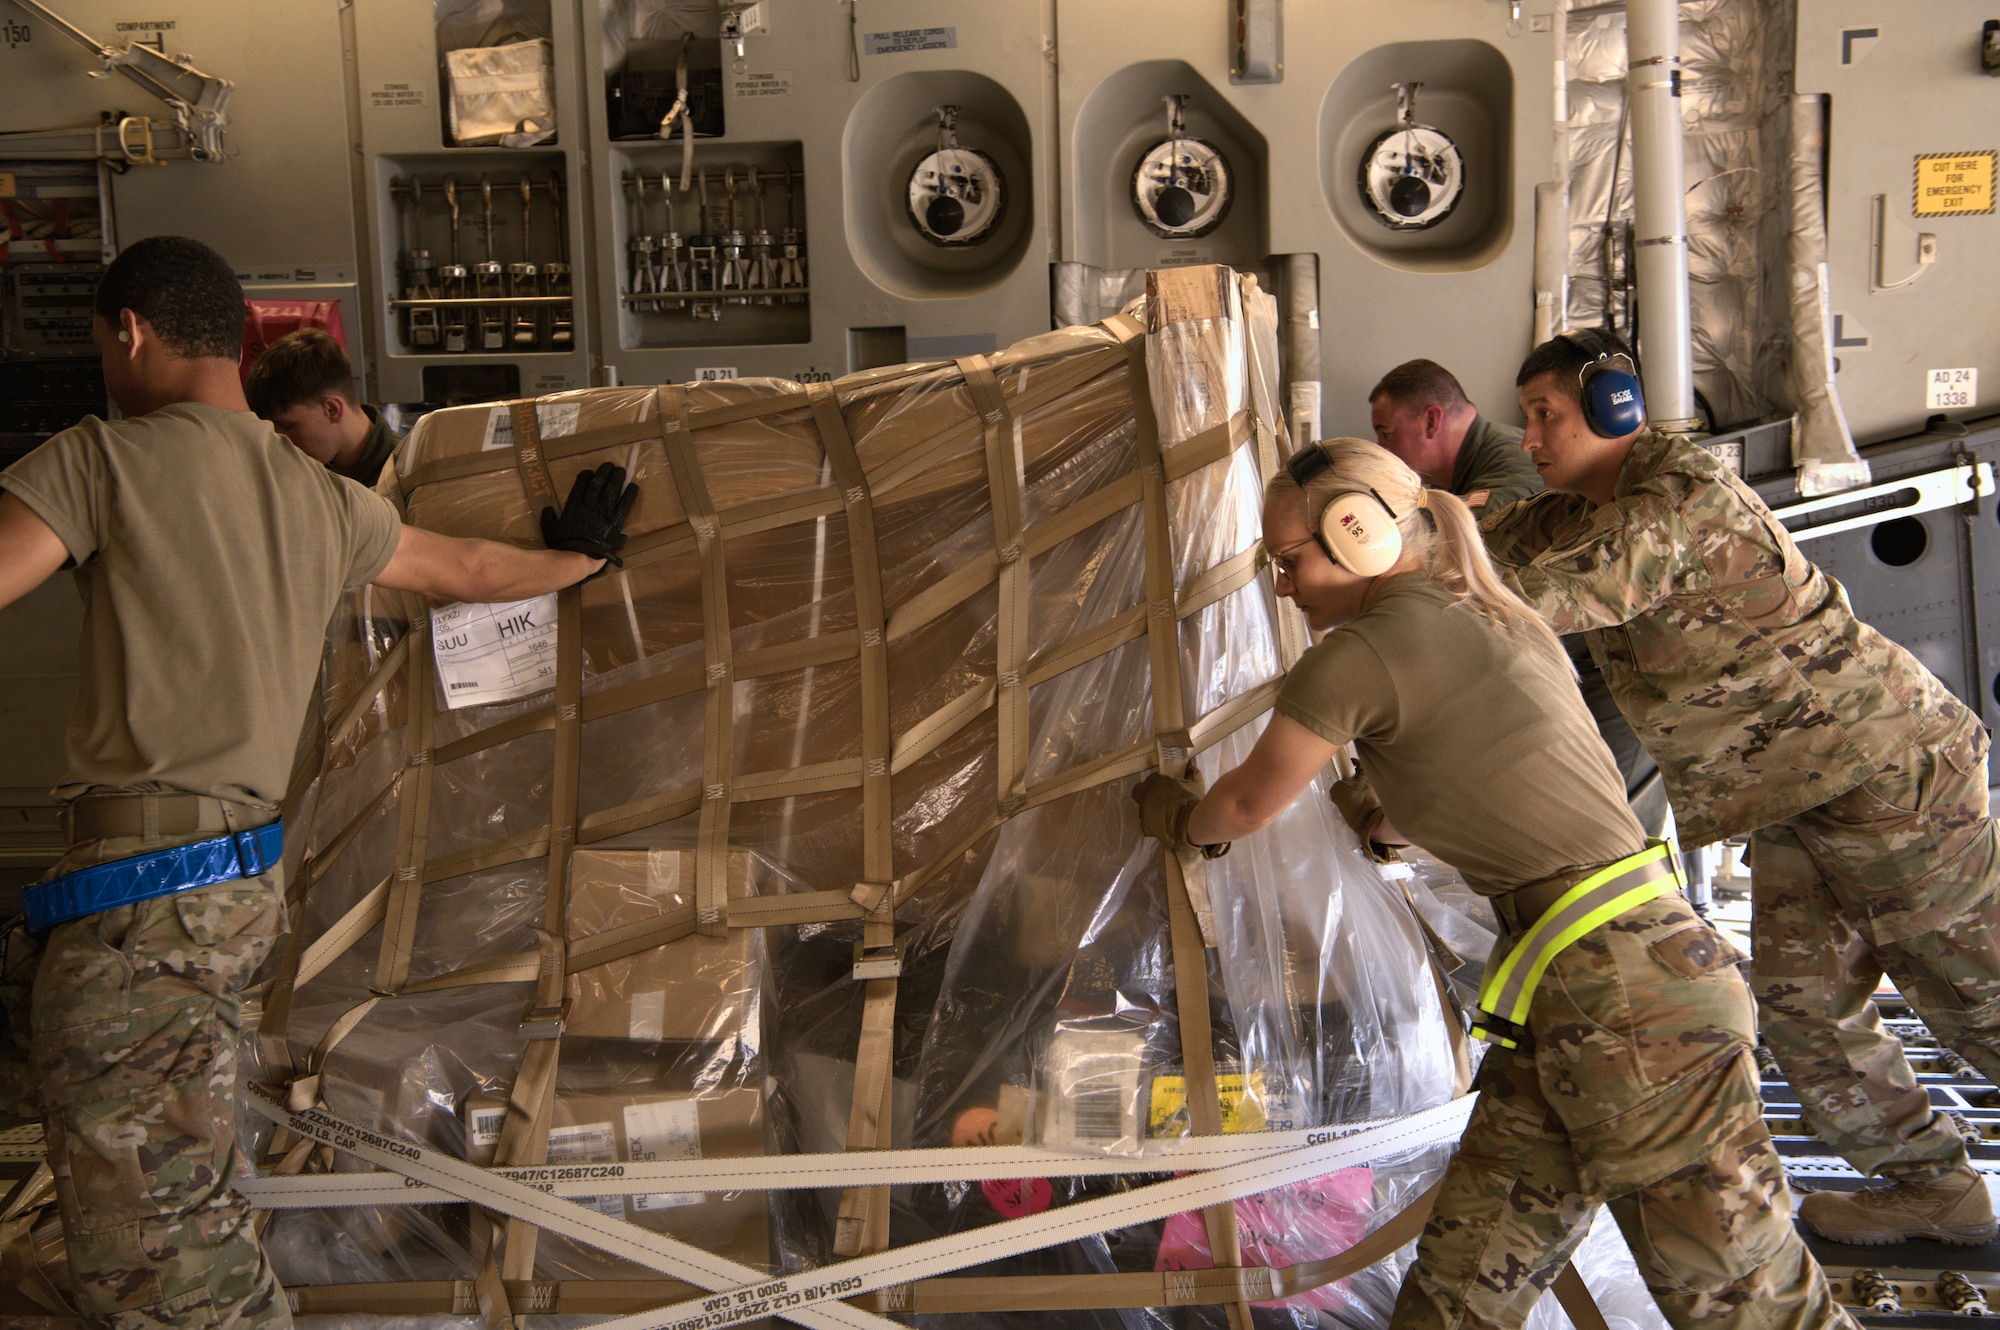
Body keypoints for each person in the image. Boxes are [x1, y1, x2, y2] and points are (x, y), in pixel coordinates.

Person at [0, 236, 636, 1330]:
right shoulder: (318, 498)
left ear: (132, 332)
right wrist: (578, 558)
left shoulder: (99, 460)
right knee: (132, 1188)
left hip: (137, 913)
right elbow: (469, 573)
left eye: (102, 340)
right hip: (225, 899)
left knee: (167, 1265)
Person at [1132, 438, 1852, 1330]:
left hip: (1623, 1005)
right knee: (1462, 1286)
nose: (1282, 587)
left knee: (1746, 1299)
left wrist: (1176, 820)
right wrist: (1380, 803)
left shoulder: (1363, 652)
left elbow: (1242, 806)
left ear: (1357, 536)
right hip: (1593, 993)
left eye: (1289, 561)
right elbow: (1447, 789)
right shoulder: (1491, 612)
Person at [1481, 328, 2000, 1246]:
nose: (1528, 440)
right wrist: (1412, 526)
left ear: (1613, 406)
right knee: (1805, 1011)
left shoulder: (1676, 498)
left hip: (1886, 770)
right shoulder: (1581, 508)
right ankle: (1933, 1186)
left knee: (1972, 993)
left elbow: (1554, 597)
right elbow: (1497, 547)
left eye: (1544, 415)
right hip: (1796, 796)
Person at [1371, 359, 1666, 834]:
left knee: (1611, 833)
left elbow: (1489, 564)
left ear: (1430, 420)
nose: (1530, 439)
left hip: (1617, 682)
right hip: (1585, 672)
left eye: (1386, 434)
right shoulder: (1497, 476)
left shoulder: (1515, 474)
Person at [243, 327, 400, 485]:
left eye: (287, 426)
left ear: (332, 409)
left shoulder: (406, 475)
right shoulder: (298, 470)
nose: (279, 441)